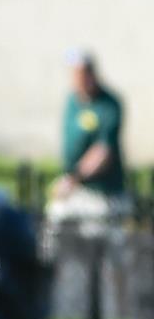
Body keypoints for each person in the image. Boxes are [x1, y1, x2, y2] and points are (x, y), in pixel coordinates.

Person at [51, 51, 129, 223]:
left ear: (90, 75)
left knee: (93, 234)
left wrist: (73, 178)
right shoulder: (73, 101)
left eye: (80, 74)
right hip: (76, 189)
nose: (75, 79)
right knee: (55, 220)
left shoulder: (109, 104)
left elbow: (103, 151)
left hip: (102, 194)